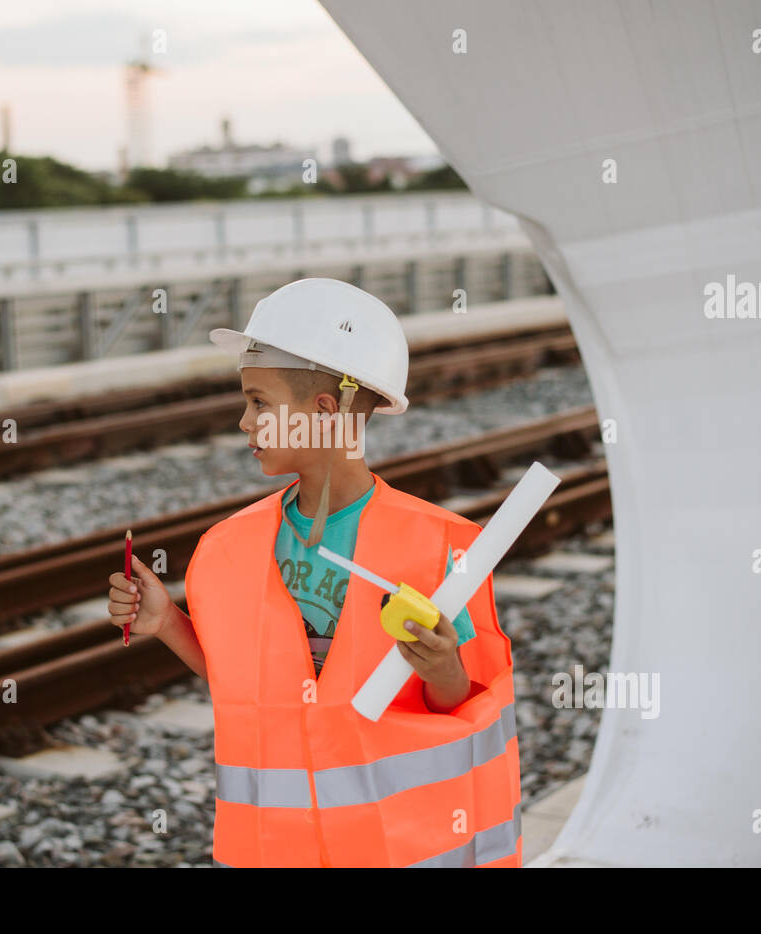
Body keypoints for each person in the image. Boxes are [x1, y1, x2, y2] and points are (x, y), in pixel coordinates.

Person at [108, 277, 522, 867]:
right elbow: (244, 689)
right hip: (277, 849)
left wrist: (444, 666)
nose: (244, 423)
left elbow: (465, 707)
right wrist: (168, 622)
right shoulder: (229, 550)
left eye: (259, 403)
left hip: (393, 846)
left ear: (323, 412)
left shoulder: (441, 546)